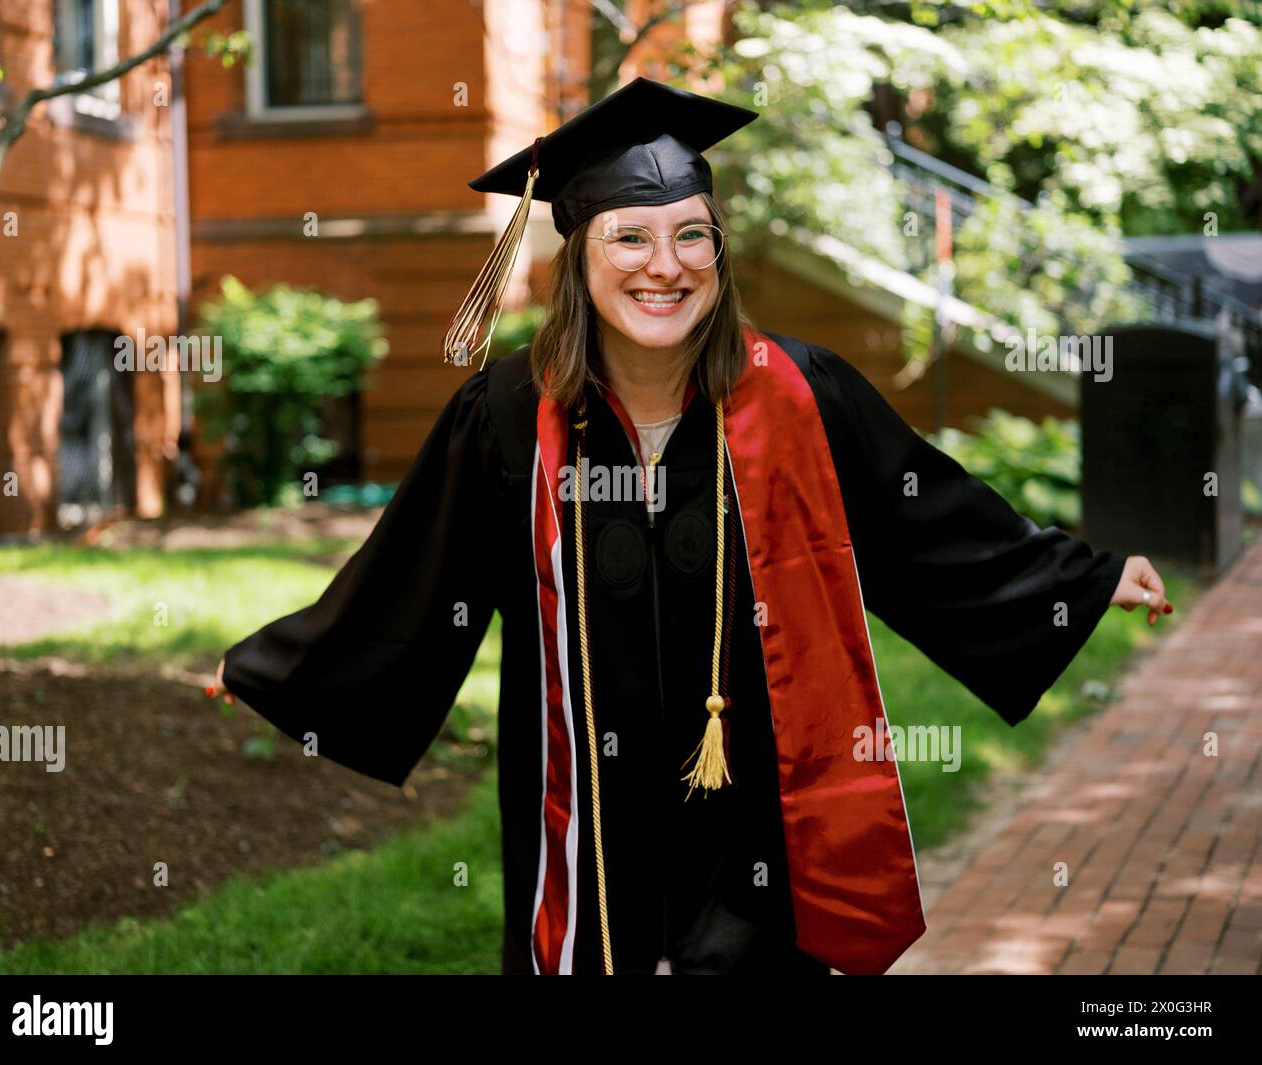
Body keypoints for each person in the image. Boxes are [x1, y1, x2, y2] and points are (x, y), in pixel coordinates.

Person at [207, 77, 1172, 976]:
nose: (664, 267)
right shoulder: (508, 418)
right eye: (629, 238)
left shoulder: (800, 394)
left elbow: (926, 517)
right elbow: (413, 576)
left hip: (757, 816)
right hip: (581, 816)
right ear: (579, 256)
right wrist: (276, 668)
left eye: (691, 237)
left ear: (720, 251)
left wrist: (1076, 582)